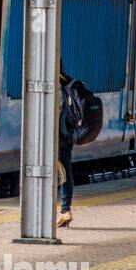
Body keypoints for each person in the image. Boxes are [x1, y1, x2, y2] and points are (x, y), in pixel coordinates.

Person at [57, 68, 76, 229]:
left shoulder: (51, 84)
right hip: (66, 134)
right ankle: (65, 210)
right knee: (65, 169)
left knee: (58, 170)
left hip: (55, 136)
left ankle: (63, 210)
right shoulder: (66, 81)